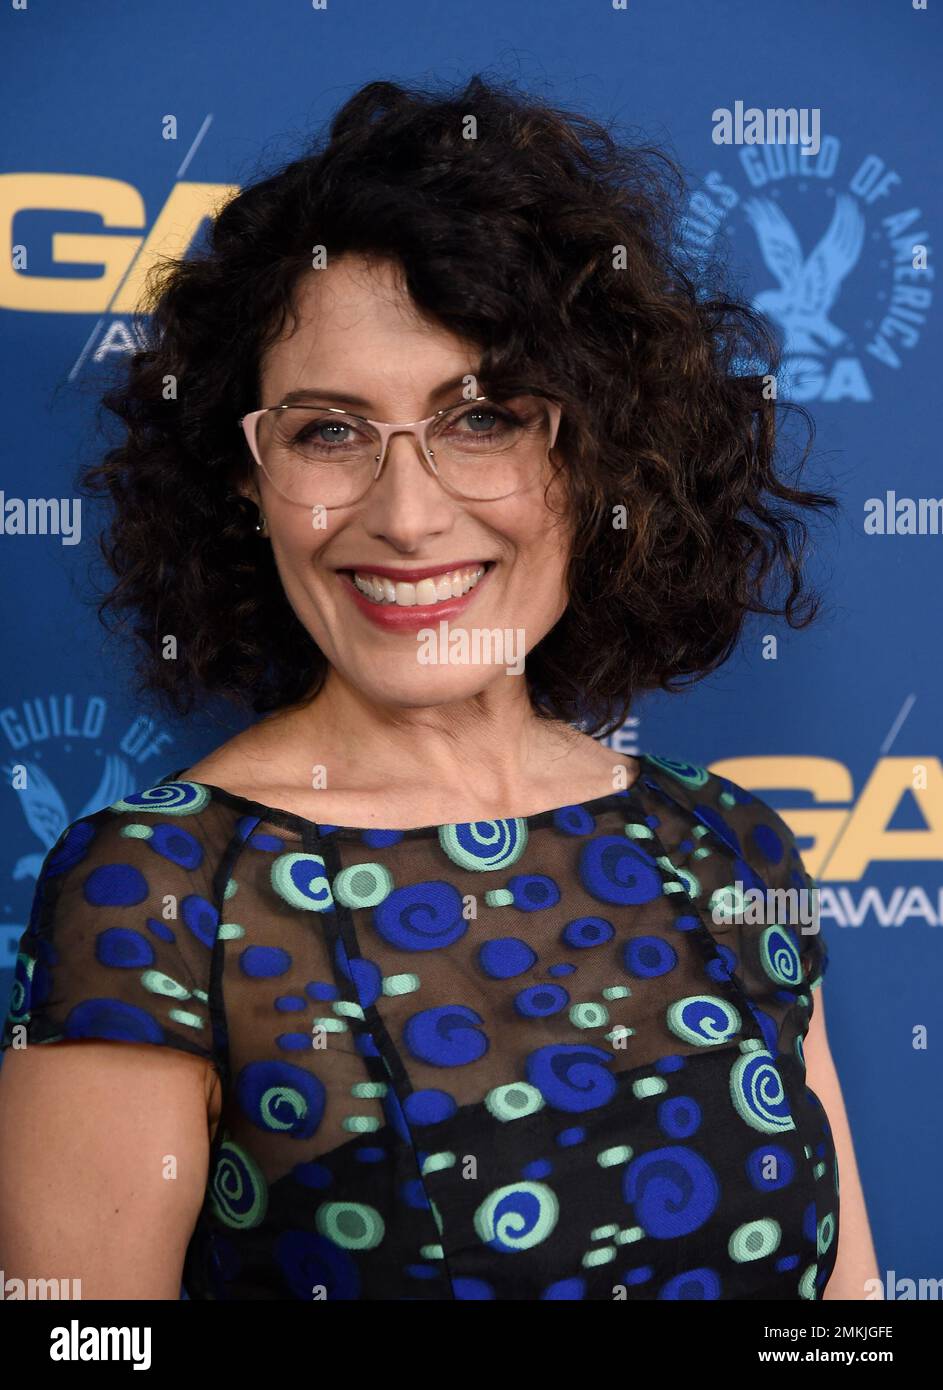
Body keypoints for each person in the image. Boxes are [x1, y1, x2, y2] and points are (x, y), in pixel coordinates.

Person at [0, 75, 877, 1300]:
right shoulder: (157, 893)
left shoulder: (726, 847)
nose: (407, 516)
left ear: (602, 457)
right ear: (247, 485)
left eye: (482, 420)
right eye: (328, 431)